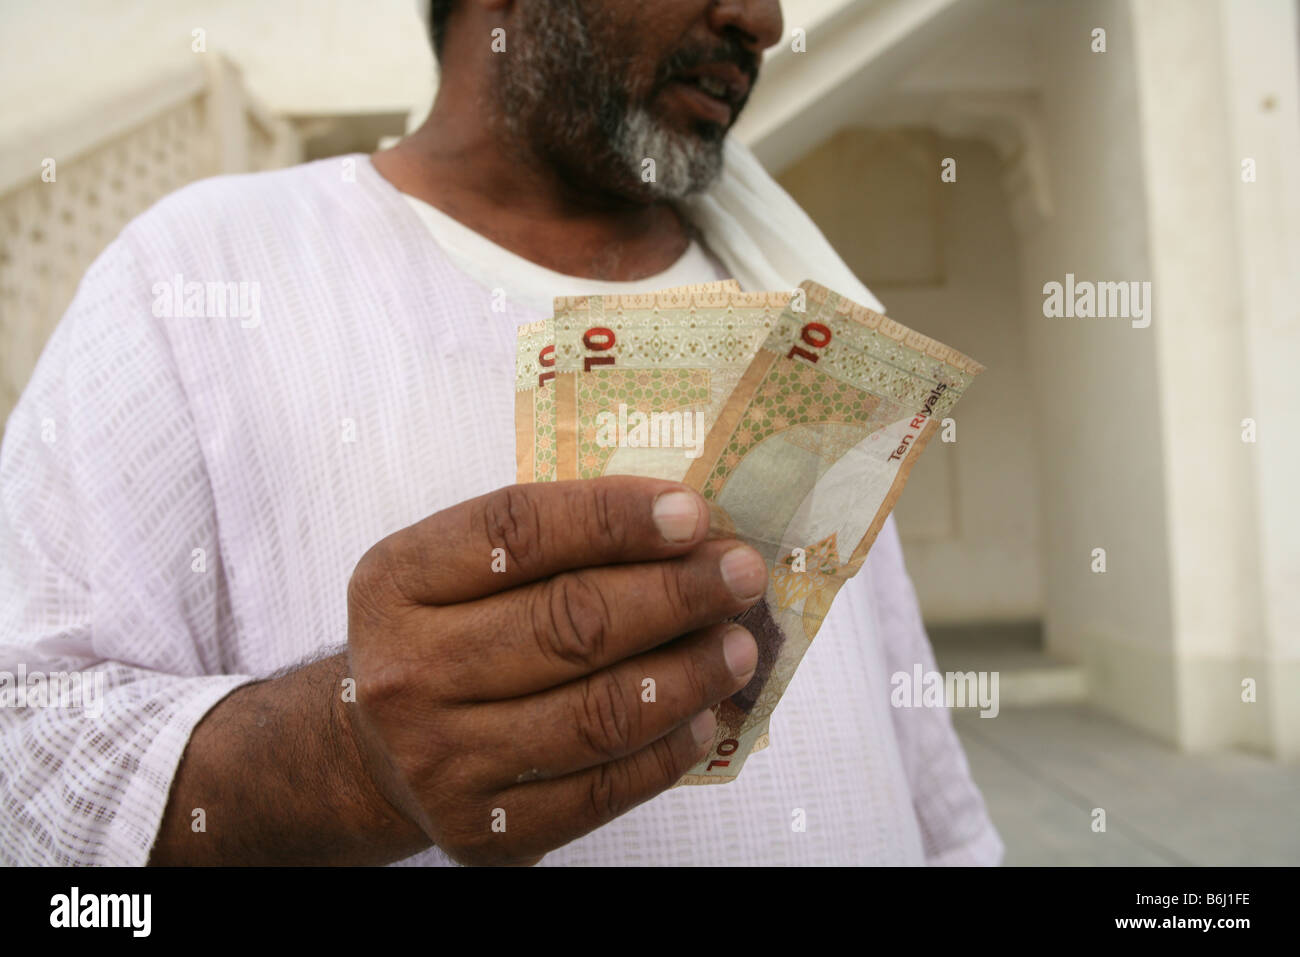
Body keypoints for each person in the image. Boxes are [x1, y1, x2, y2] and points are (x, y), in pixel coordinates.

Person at [0, 0, 1002, 866]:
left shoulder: (809, 313)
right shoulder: (199, 272)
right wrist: (348, 760)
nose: (764, 19)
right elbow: (25, 757)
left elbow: (919, 760)